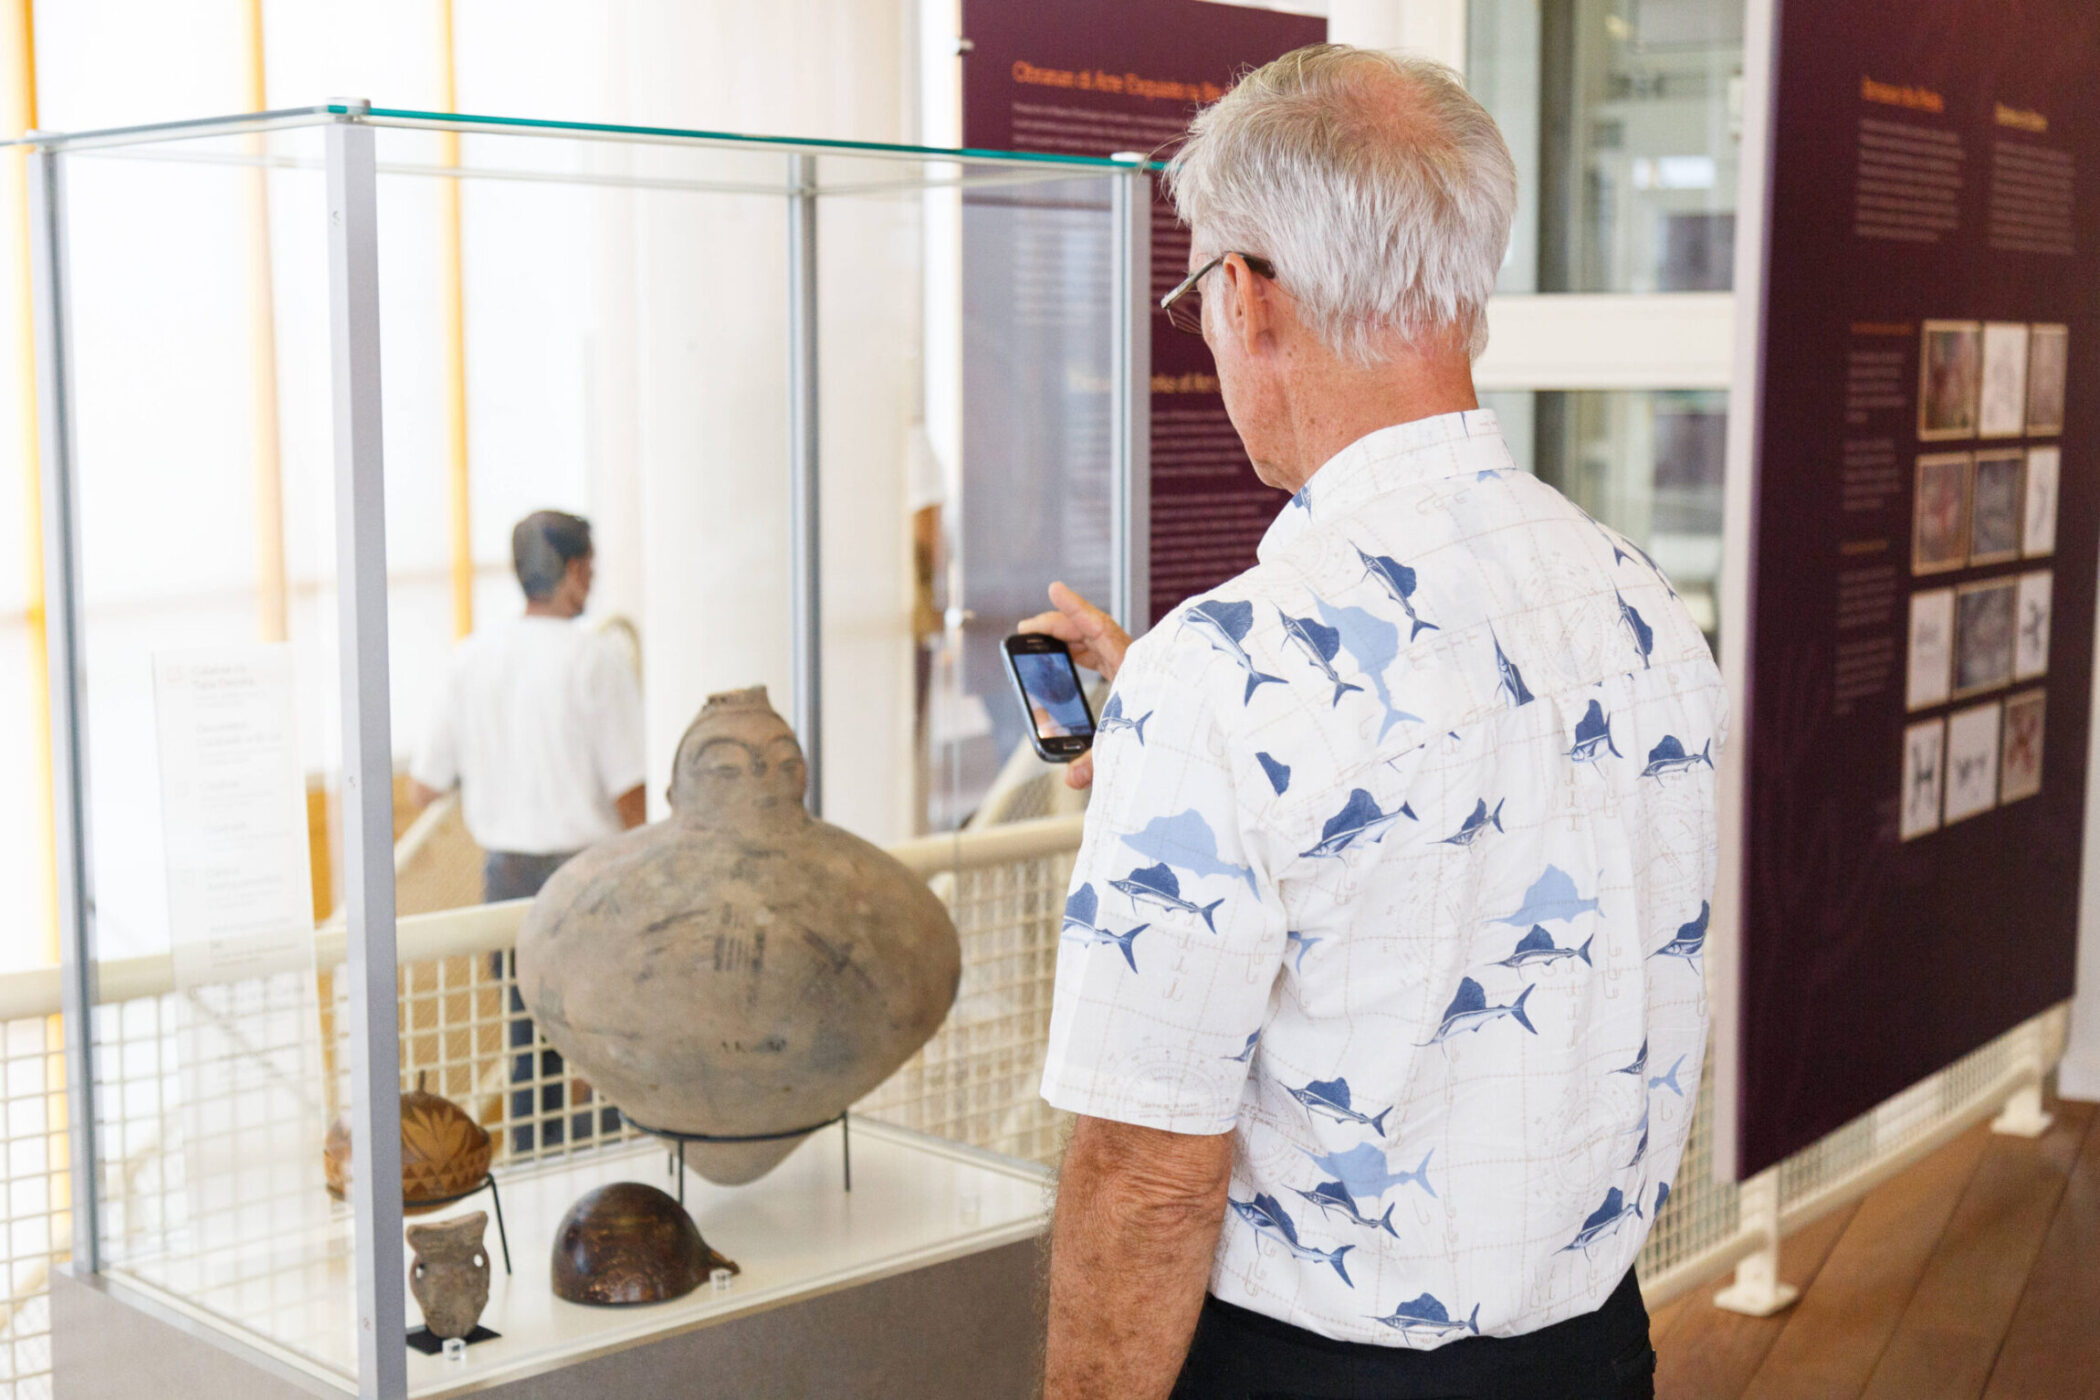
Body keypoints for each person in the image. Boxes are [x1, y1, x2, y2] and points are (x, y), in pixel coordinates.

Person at [1023, 46, 1724, 1400]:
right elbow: (1458, 863)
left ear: (1244, 296)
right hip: (1595, 1355)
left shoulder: (1224, 672)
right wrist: (1155, 753)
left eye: (1198, 295)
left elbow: (1147, 1173)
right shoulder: (1642, 604)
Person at [410, 509, 647, 1148]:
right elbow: (632, 795)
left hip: (506, 879)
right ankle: (606, 1178)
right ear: (572, 572)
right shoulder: (595, 658)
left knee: (527, 1052)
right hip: (588, 878)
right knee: (603, 1046)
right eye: (589, 569)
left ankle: (538, 1178)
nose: (591, 584)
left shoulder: (470, 660)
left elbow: (423, 784)